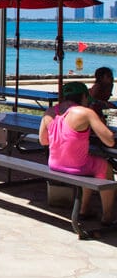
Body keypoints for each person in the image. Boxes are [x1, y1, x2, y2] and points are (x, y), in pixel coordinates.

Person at [39, 81, 116, 225]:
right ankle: (108, 216)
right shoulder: (85, 112)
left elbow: (43, 141)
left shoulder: (50, 112)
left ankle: (84, 209)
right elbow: (110, 141)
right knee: (105, 167)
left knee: (92, 163)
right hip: (77, 167)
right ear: (83, 97)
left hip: (55, 164)